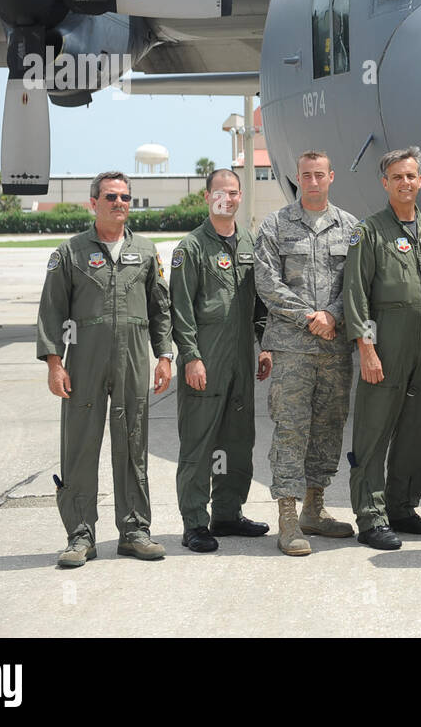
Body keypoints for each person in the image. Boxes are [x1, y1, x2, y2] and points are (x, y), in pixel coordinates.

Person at [36, 171, 173, 567]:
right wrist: (53, 363)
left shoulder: (146, 252)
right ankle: (80, 536)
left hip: (133, 361)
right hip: (85, 362)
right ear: (93, 202)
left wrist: (164, 355)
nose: (119, 203)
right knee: (80, 448)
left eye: (125, 197)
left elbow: (159, 310)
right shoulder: (70, 253)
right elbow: (51, 311)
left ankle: (134, 532)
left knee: (133, 445)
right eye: (111, 197)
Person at [343, 147, 421, 551]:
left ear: (420, 180)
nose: (405, 182)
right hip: (386, 342)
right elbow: (357, 294)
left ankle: (403, 507)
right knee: (374, 431)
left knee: (415, 432)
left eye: (411, 176)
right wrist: (367, 349)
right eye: (397, 177)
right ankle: (371, 518)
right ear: (384, 183)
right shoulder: (368, 231)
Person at [254, 151, 360, 555]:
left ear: (331, 177)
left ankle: (314, 507)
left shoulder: (350, 227)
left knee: (329, 426)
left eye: (319, 174)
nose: (313, 181)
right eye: (306, 175)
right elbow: (266, 281)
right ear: (298, 179)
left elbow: (355, 281)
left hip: (333, 346)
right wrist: (308, 316)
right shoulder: (276, 225)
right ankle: (287, 517)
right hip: (292, 347)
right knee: (291, 428)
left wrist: (332, 316)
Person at [170, 169, 271, 554]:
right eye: (219, 193)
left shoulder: (249, 243)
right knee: (199, 444)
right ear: (207, 197)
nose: (226, 199)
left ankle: (228, 513)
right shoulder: (191, 247)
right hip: (206, 359)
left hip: (242, 360)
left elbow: (260, 303)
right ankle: (194, 522)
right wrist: (191, 358)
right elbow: (180, 309)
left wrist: (265, 346)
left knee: (237, 440)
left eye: (232, 193)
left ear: (240, 197)